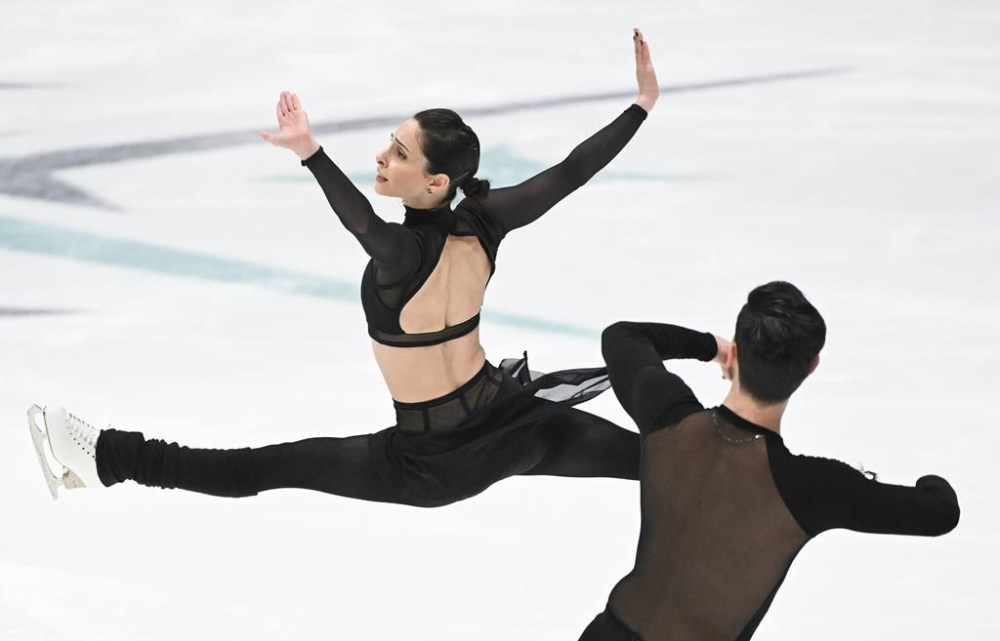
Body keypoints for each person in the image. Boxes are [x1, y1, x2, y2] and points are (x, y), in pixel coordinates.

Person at [29, 29, 659, 507]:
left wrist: (311, 153)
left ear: (435, 182)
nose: (382, 156)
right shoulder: (486, 222)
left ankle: (102, 457)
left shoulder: (404, 254)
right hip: (512, 425)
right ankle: (749, 458)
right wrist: (640, 106)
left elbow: (364, 225)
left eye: (399, 152)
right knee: (659, 459)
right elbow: (572, 171)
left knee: (265, 466)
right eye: (390, 141)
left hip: (434, 462)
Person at [579, 281, 960, 641]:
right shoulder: (814, 486)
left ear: (737, 353)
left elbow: (623, 335)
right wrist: (921, 477)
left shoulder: (667, 415)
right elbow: (940, 511)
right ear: (811, 367)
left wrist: (711, 347)